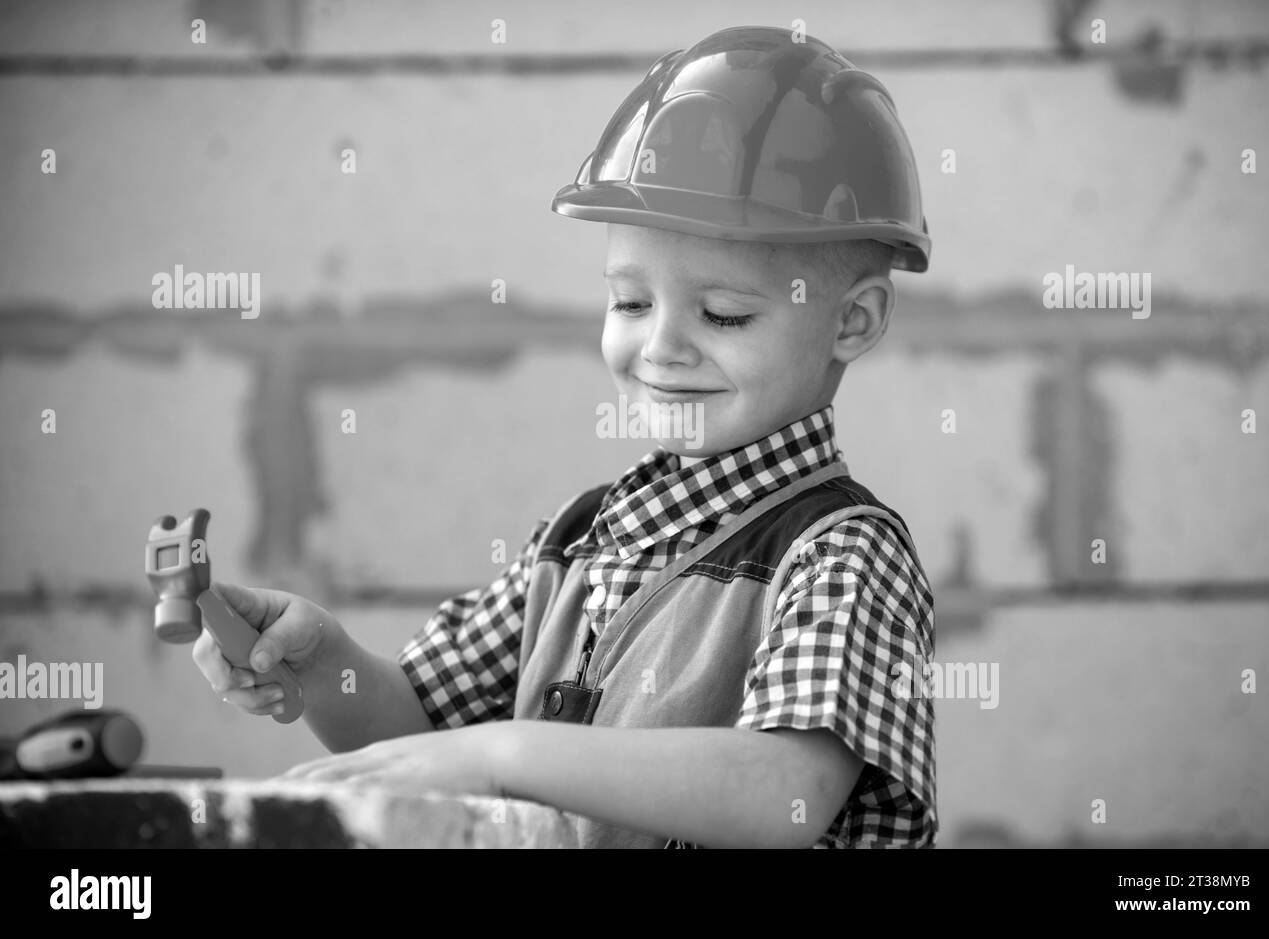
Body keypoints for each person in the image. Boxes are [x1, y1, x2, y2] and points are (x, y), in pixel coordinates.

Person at [194, 25, 938, 848]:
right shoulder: (583, 539)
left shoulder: (843, 557)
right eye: (629, 302)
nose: (660, 346)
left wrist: (506, 752)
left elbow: (780, 794)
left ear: (855, 319)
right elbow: (415, 733)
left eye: (724, 313)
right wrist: (323, 659)